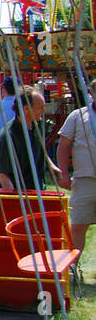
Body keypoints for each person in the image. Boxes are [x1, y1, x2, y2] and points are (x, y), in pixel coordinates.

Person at [0, 85, 61, 192]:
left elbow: (41, 151)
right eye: (40, 107)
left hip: (38, 191)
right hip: (21, 194)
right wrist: (15, 201)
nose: (44, 111)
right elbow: (4, 175)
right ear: (26, 108)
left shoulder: (38, 126)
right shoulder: (9, 135)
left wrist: (51, 165)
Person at [57, 80, 96, 249]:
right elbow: (63, 145)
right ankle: (72, 268)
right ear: (91, 93)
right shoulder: (78, 116)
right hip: (84, 179)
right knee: (78, 225)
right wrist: (63, 173)